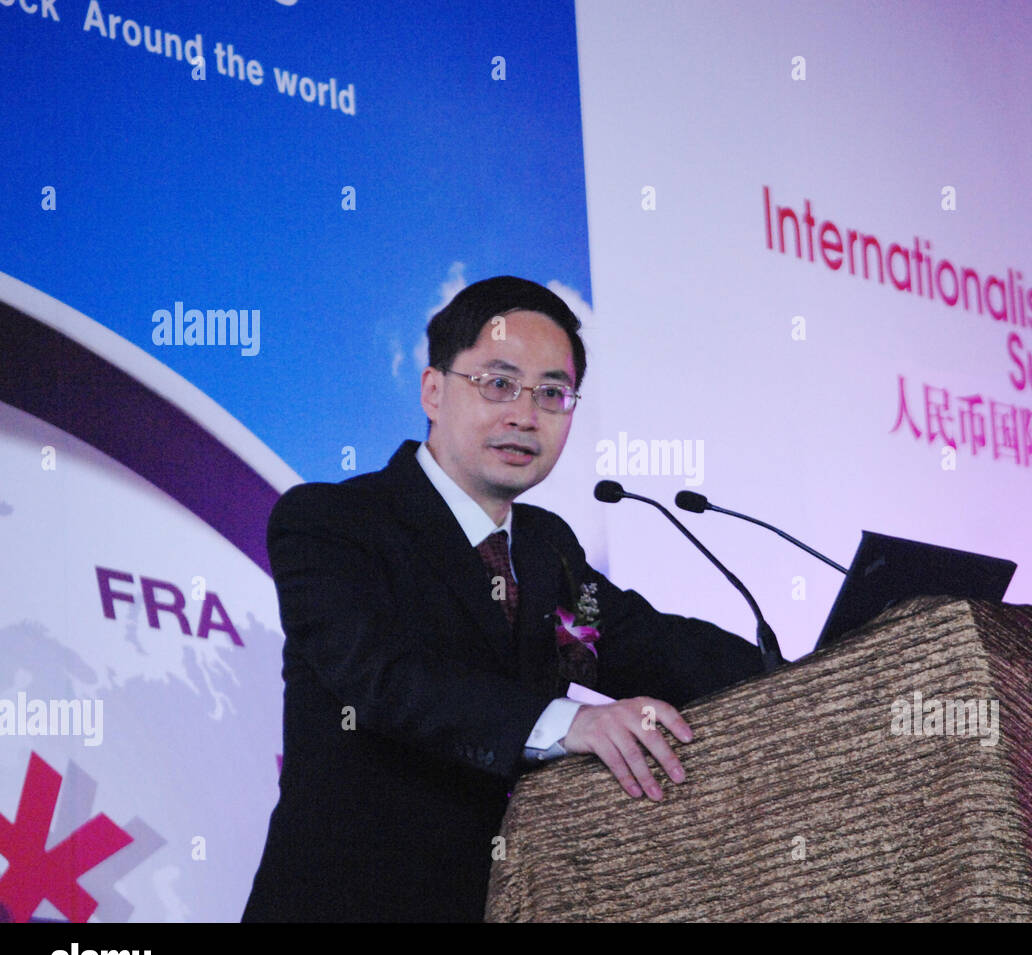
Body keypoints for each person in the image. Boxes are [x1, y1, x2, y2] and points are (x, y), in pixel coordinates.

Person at [242, 276, 768, 922]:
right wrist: (566, 720)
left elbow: (651, 643)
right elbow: (382, 679)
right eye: (498, 383)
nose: (526, 414)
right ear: (433, 390)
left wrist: (829, 667)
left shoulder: (548, 549)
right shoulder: (333, 520)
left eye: (553, 393)